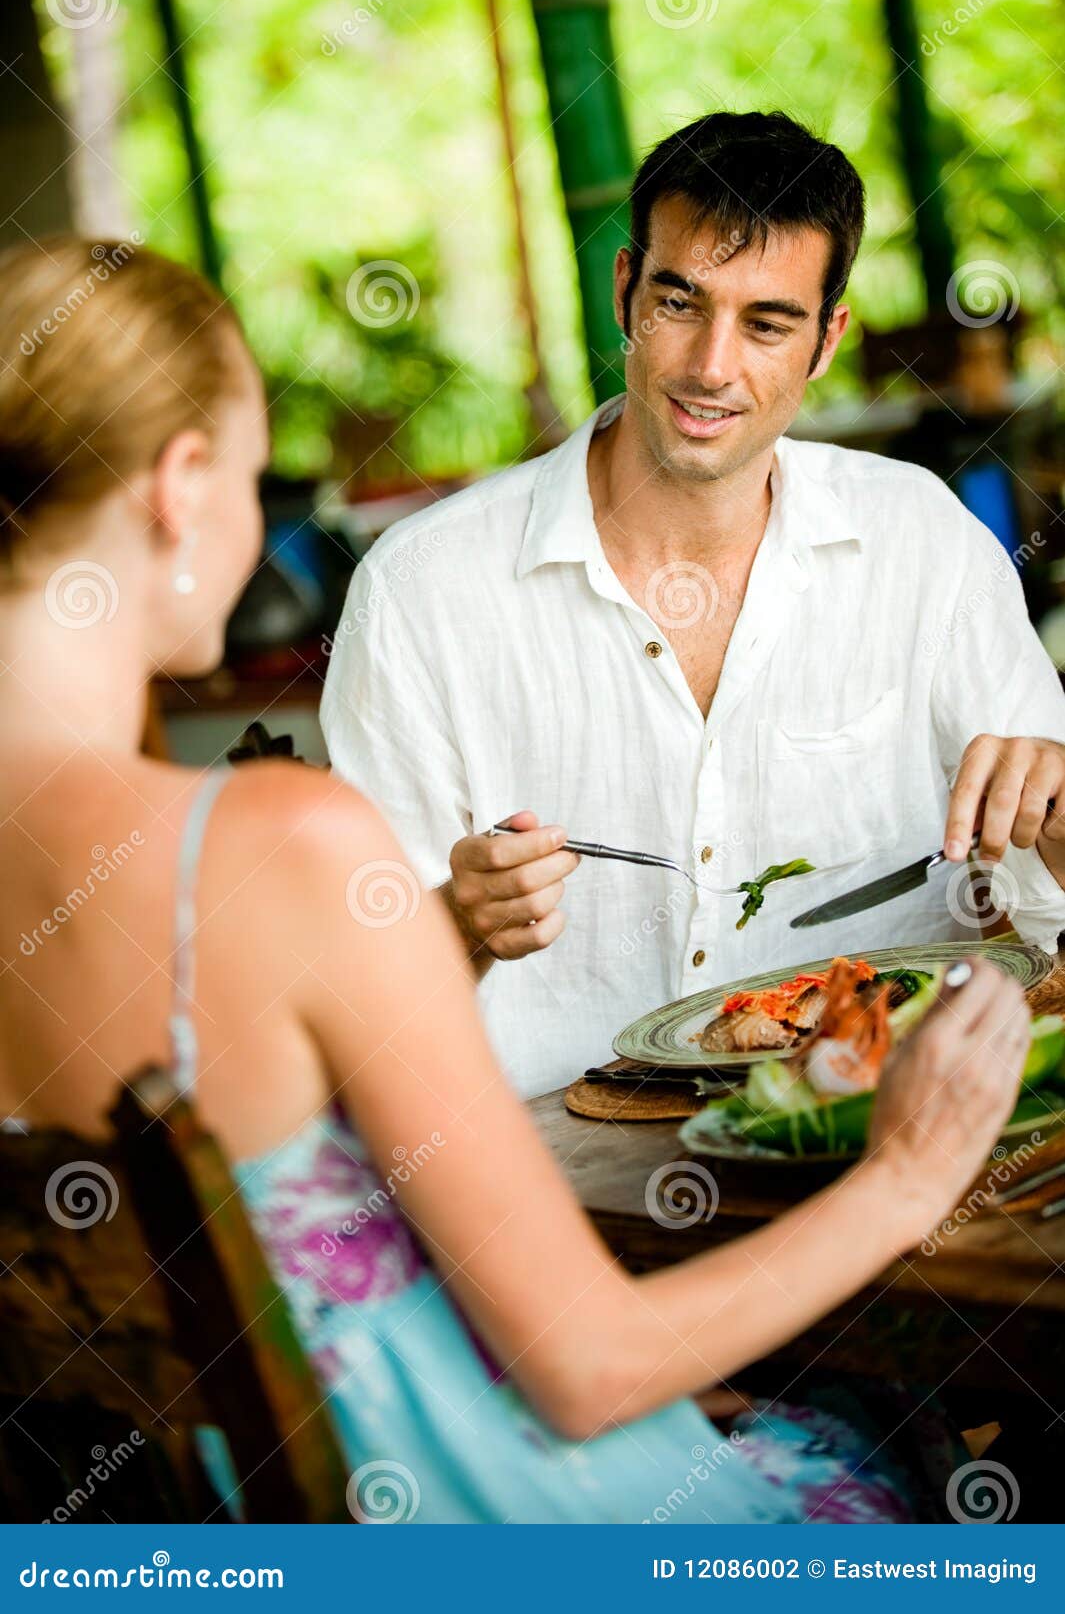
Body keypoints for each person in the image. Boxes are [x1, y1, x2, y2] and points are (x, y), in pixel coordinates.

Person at [0, 237, 1031, 1524]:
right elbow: (590, 1371)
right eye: (254, 477)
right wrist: (914, 1169)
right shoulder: (275, 849)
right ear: (180, 481)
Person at [321, 110, 1065, 1099]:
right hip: (558, 1188)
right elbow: (355, 1000)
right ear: (626, 290)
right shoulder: (422, 592)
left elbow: (1045, 917)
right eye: (681, 303)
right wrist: (457, 920)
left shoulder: (923, 545)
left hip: (882, 1140)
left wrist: (1055, 821)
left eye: (767, 323)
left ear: (826, 339)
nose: (712, 367)